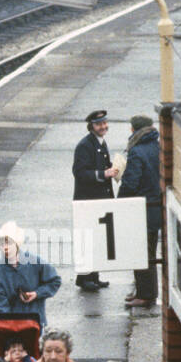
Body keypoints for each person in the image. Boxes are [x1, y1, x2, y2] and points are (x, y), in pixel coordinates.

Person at [117, 114, 163, 308]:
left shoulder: (136, 150)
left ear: (132, 129)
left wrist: (120, 201)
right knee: (148, 251)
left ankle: (146, 295)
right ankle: (143, 291)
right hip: (156, 206)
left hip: (141, 209)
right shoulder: (159, 146)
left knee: (142, 252)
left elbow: (131, 182)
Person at [0, 220, 61, 326]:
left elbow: (54, 281)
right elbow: (0, 307)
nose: (5, 247)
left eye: (9, 242)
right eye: (1, 243)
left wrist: (37, 294)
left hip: (36, 324)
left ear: (17, 243)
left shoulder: (35, 262)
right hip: (11, 327)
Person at [72, 108, 115, 292]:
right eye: (99, 124)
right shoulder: (85, 145)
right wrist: (103, 174)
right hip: (87, 200)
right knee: (87, 239)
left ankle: (93, 277)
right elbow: (79, 172)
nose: (103, 126)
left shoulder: (100, 143)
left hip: (98, 199)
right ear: (91, 126)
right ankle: (84, 278)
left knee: (96, 239)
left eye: (104, 123)